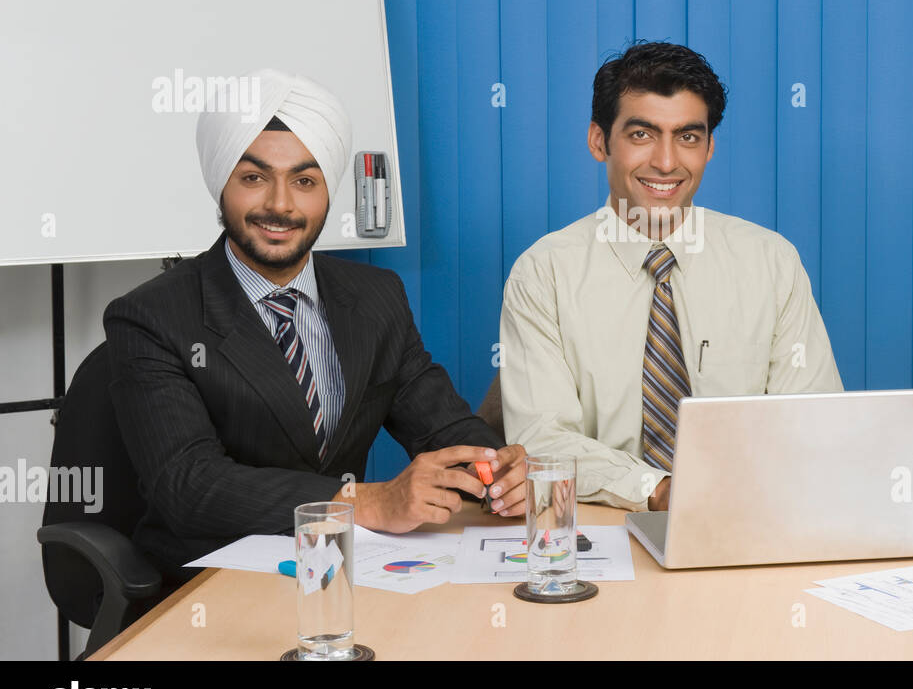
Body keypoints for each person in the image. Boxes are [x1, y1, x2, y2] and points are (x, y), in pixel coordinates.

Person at [105, 70, 526, 580]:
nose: (280, 204)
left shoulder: (374, 298)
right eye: (254, 177)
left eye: (305, 181)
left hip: (345, 570)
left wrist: (496, 467)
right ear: (221, 184)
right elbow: (188, 486)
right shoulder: (152, 315)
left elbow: (440, 424)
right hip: (208, 579)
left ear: (329, 191)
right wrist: (363, 502)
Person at [499, 42, 842, 512]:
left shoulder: (771, 262)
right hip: (604, 530)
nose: (665, 162)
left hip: (748, 522)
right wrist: (657, 491)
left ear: (709, 147)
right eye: (642, 135)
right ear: (600, 142)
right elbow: (544, 439)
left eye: (687, 137)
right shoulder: (543, 274)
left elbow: (813, 421)